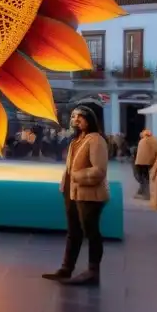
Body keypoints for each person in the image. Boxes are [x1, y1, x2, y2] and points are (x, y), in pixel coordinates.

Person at [43, 106, 109, 287]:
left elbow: (99, 171)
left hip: (90, 194)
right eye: (73, 116)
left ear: (90, 119)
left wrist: (77, 176)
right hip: (72, 192)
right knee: (73, 232)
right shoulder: (76, 141)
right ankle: (66, 268)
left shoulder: (96, 140)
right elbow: (70, 167)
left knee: (91, 232)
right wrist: (66, 182)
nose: (76, 120)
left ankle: (93, 272)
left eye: (80, 117)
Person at [133, 129, 157, 200]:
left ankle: (146, 194)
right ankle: (145, 191)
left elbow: (139, 154)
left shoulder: (142, 141)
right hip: (151, 162)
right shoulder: (155, 140)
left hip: (141, 163)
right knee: (148, 177)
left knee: (143, 177)